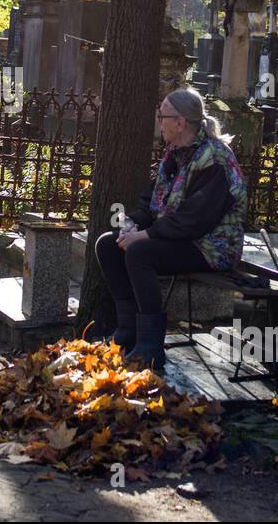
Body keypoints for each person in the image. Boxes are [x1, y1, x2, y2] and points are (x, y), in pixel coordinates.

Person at [94, 87, 247, 371]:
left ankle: (151, 346)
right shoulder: (175, 154)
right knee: (108, 244)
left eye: (162, 115)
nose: (158, 120)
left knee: (140, 252)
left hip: (212, 246)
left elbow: (195, 219)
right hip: (181, 238)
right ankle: (128, 331)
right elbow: (154, 203)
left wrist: (145, 235)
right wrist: (133, 224)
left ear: (181, 122)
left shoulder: (213, 158)